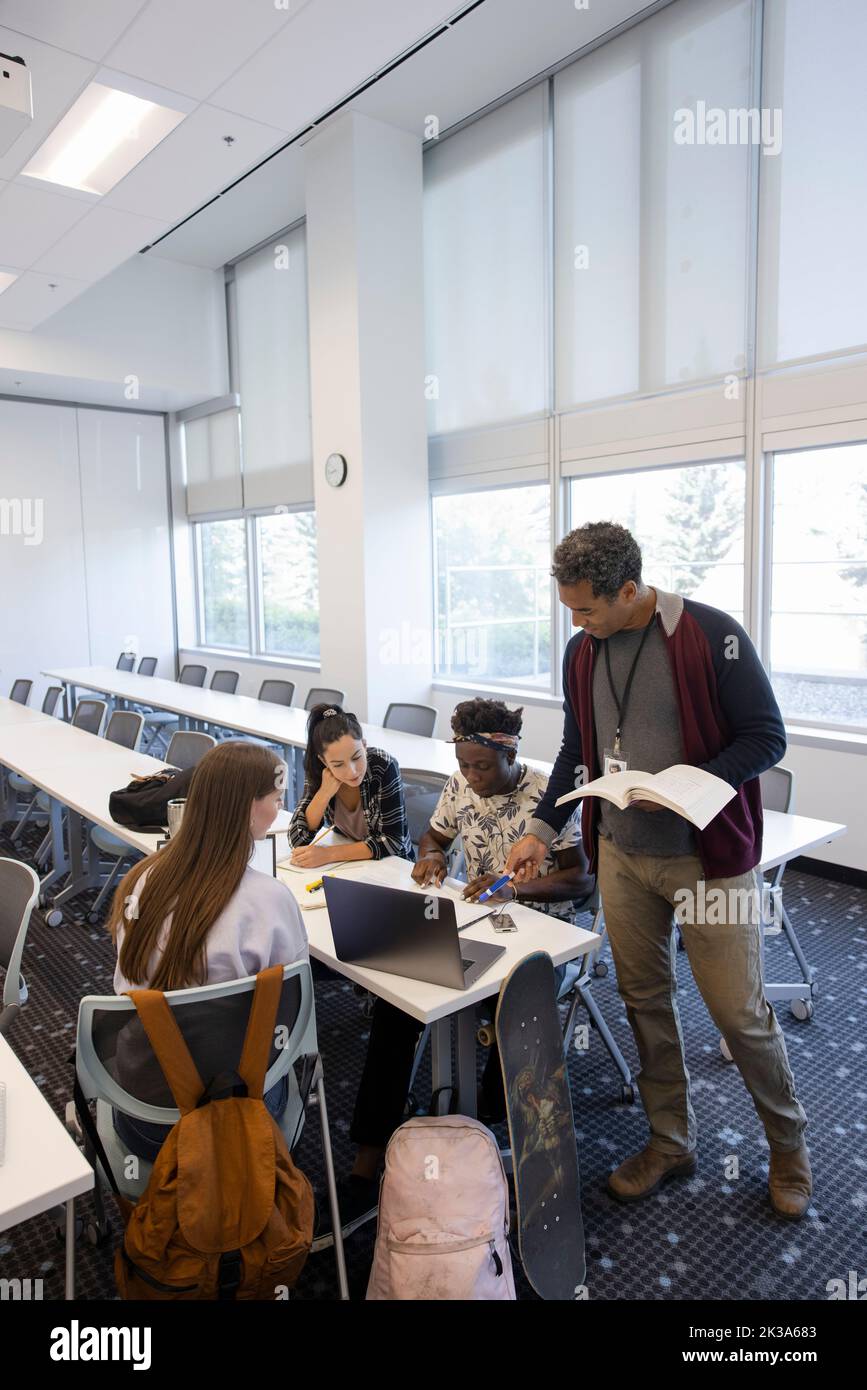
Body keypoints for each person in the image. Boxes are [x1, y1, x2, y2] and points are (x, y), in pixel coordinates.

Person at [505, 521, 811, 1219]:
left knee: (738, 1013)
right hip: (620, 851)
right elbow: (575, 747)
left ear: (630, 590)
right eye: (569, 610)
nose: (577, 623)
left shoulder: (709, 635)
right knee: (644, 1002)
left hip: (710, 859)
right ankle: (669, 1141)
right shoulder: (583, 652)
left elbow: (766, 738)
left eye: (586, 608)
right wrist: (540, 827)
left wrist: (687, 782)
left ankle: (788, 1144)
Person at [334, 698, 594, 1232]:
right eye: (465, 765)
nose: (471, 777)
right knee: (396, 1002)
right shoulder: (461, 785)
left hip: (547, 938)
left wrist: (516, 888)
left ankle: (499, 1138)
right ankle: (368, 1154)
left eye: (482, 767)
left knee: (511, 1005)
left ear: (511, 753)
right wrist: (430, 855)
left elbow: (582, 880)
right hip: (477, 923)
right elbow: (436, 835)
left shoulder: (549, 794)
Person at [108, 741, 308, 1161]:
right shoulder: (270, 899)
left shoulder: (142, 879)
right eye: (276, 800)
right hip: (238, 1109)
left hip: (146, 1110)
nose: (279, 811)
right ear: (249, 807)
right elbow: (295, 1005)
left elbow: (126, 988)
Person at [288, 704, 412, 865]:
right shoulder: (318, 771)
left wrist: (328, 855)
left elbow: (393, 842)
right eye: (338, 765)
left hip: (392, 865)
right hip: (350, 862)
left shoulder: (383, 765)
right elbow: (297, 839)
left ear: (364, 745)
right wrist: (324, 793)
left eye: (356, 757)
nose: (352, 772)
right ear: (324, 761)